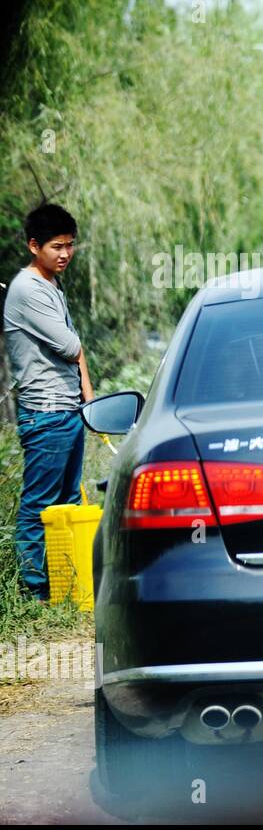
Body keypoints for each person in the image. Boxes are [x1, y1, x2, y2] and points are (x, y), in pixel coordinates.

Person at [4, 203, 93, 600]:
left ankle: (67, 587)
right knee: (39, 506)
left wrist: (85, 404)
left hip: (67, 410)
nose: (65, 254)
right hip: (46, 413)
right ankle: (34, 591)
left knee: (68, 504)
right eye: (57, 246)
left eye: (70, 245)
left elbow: (76, 352)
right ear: (33, 246)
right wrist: (88, 396)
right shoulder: (27, 289)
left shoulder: (51, 284)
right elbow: (72, 346)